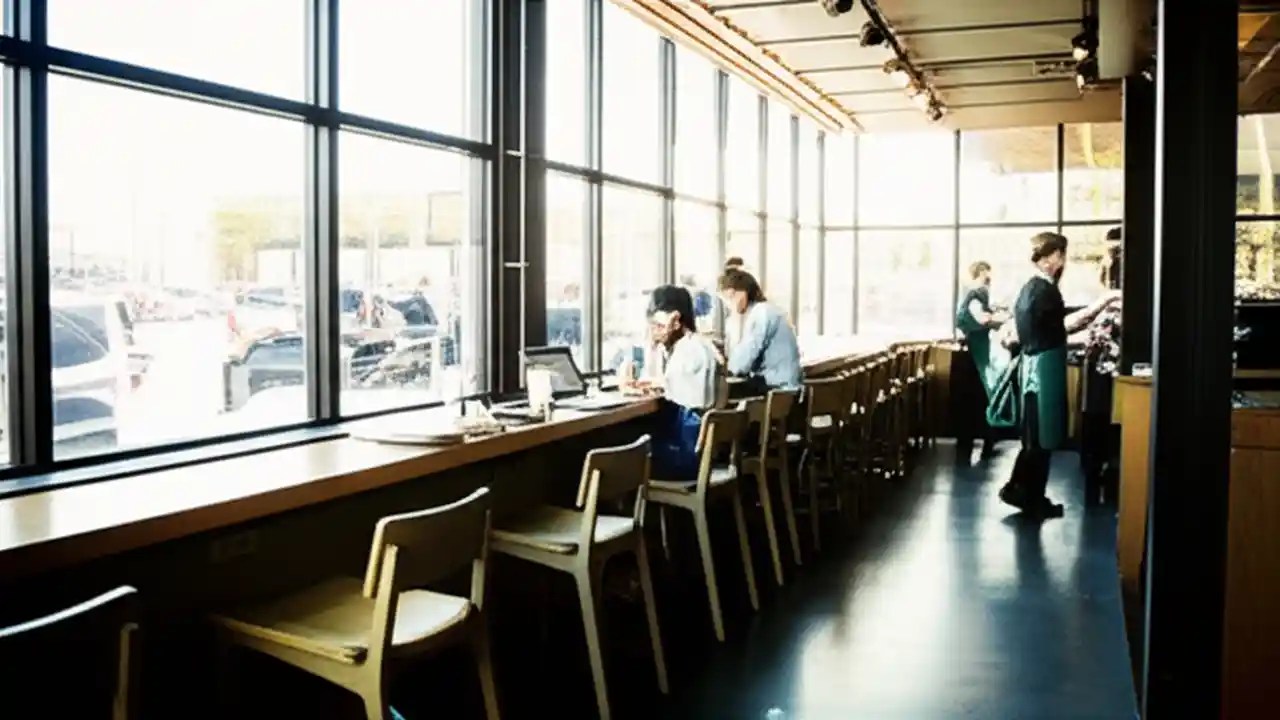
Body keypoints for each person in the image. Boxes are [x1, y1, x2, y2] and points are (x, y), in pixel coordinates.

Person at [999, 232, 1119, 518]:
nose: (1063, 261)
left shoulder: (1028, 289)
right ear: (1051, 257)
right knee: (1046, 437)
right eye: (1060, 254)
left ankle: (1019, 489)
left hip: (1031, 367)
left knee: (1033, 436)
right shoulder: (1046, 291)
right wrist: (1104, 302)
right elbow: (1062, 328)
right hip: (1046, 368)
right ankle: (1032, 497)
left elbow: (1040, 331)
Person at [631, 285, 722, 480]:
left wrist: (652, 347)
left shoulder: (688, 353)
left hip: (686, 458)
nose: (654, 330)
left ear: (676, 320)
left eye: (658, 324)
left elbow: (665, 391)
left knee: (626, 450)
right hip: (700, 453)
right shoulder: (699, 345)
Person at [954, 261, 1008, 463]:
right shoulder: (977, 293)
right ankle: (987, 440)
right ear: (982, 272)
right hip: (976, 355)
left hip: (970, 353)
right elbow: (982, 319)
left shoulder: (971, 293)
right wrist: (1003, 319)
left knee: (969, 400)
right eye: (988, 273)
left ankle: (968, 441)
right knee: (981, 398)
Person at [718, 268, 801, 393]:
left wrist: (725, 368)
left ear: (743, 292)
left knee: (723, 395)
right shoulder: (770, 310)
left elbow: (744, 359)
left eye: (730, 296)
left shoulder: (761, 313)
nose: (730, 305)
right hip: (786, 386)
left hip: (777, 387)